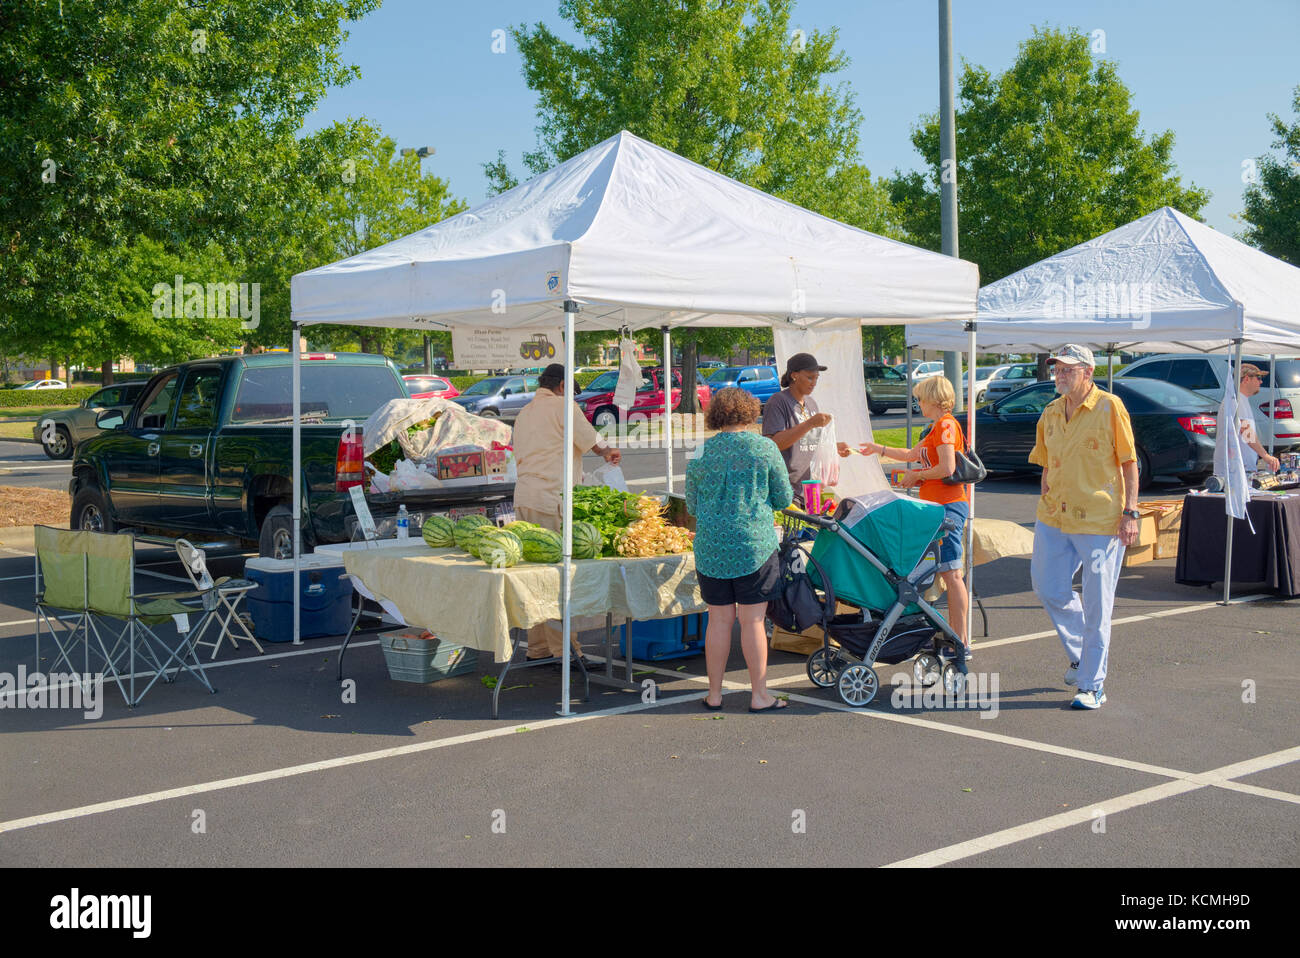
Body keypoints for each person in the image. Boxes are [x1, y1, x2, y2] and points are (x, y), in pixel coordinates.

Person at [1026, 344, 1139, 710]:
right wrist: (1046, 483)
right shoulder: (1051, 411)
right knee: (1048, 588)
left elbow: (1129, 462)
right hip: (1053, 516)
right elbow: (1046, 460)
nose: (1060, 376)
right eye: (1057, 370)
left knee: (1097, 604)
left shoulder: (1110, 407)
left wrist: (1131, 512)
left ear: (1088, 372)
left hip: (1099, 520)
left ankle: (1092, 684)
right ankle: (1081, 656)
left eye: (1068, 370)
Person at [686, 388, 794, 712]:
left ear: (715, 415)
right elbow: (784, 498)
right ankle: (759, 695)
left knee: (718, 621)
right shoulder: (765, 449)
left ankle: (714, 694)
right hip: (753, 546)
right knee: (752, 622)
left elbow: (692, 505)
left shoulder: (701, 454)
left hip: (711, 546)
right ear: (750, 413)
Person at [512, 363, 621, 665]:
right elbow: (592, 442)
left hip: (525, 497)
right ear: (562, 386)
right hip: (552, 499)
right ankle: (566, 650)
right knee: (556, 579)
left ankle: (538, 648)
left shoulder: (524, 413)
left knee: (533, 576)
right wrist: (609, 451)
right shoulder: (564, 406)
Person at [860, 375, 972, 656]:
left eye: (920, 397)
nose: (917, 402)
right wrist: (879, 449)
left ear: (933, 399)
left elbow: (946, 468)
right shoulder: (938, 427)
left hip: (948, 506)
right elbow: (912, 454)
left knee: (952, 574)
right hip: (937, 508)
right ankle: (955, 638)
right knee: (947, 573)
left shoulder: (946, 426)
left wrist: (916, 476)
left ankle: (961, 640)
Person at [762, 353, 834, 492]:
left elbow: (807, 443)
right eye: (809, 377)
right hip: (786, 488)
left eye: (816, 378)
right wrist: (810, 424)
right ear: (794, 376)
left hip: (810, 486)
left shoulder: (811, 403)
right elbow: (773, 444)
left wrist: (834, 447)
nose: (814, 382)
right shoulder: (778, 401)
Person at [1226, 363, 1280, 473]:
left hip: (1242, 468)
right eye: (1258, 377)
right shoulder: (1236, 400)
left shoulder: (1240, 399)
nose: (1261, 381)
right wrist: (1265, 456)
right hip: (1237, 470)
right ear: (1246, 379)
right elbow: (1246, 432)